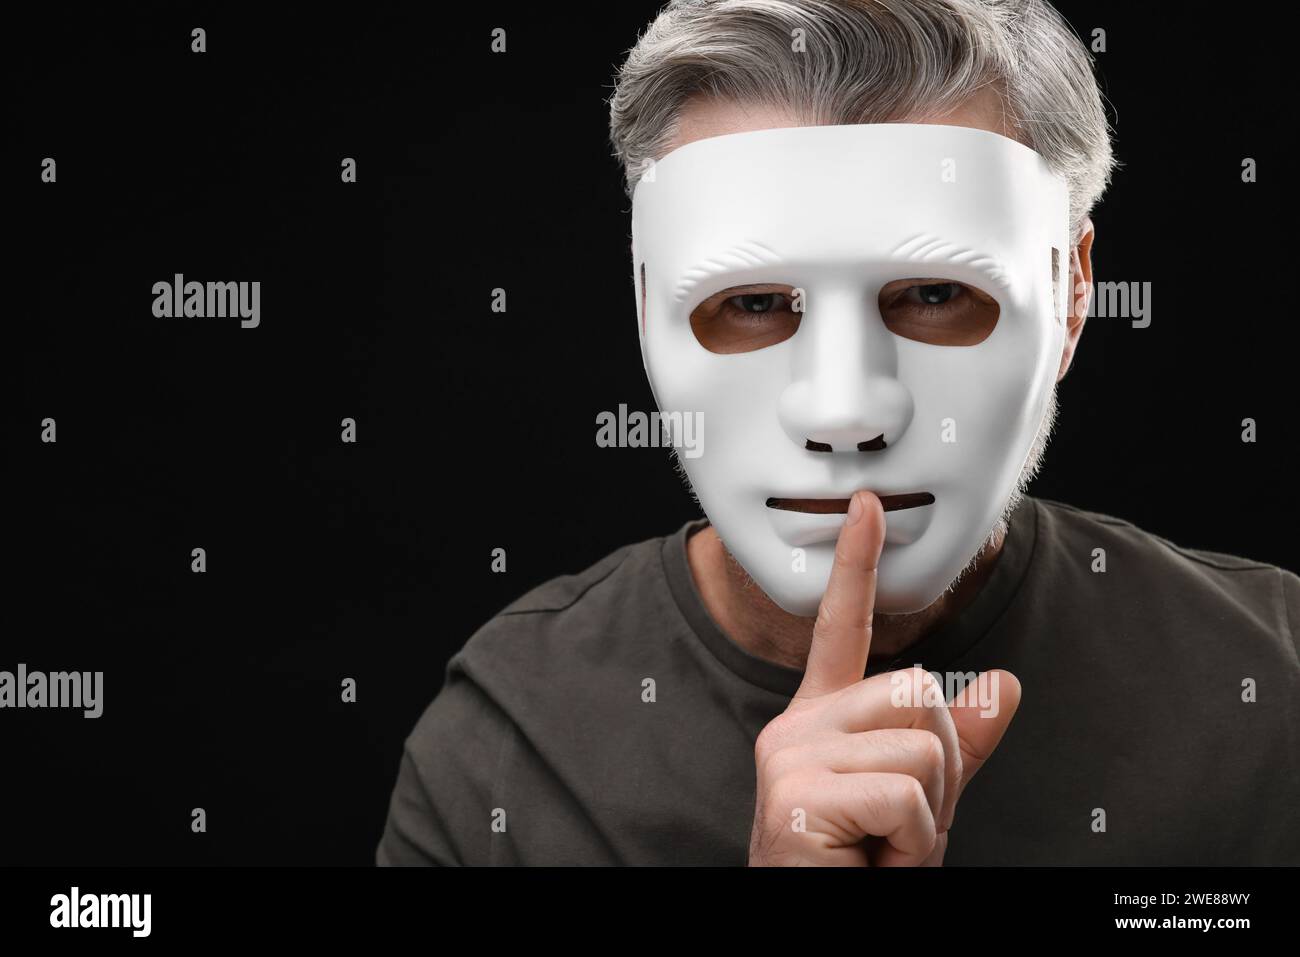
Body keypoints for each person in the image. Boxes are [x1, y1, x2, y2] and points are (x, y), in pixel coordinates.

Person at [377, 0, 1300, 866]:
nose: (845, 414)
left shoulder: (1272, 691)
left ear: (1071, 293)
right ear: (645, 301)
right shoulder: (508, 746)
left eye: (937, 294)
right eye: (751, 302)